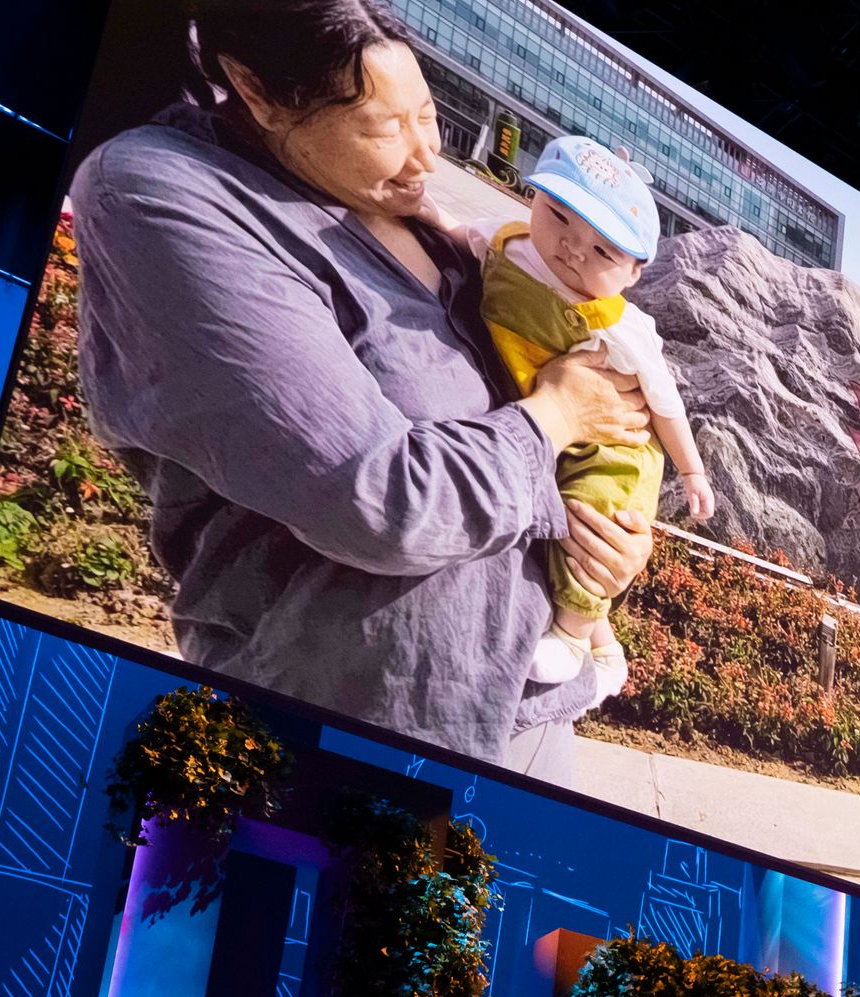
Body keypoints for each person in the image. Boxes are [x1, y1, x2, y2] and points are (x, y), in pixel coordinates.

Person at [69, 0, 654, 774]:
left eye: (427, 112)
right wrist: (557, 414)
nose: (425, 155)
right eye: (384, 128)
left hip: (517, 702)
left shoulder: (420, 218)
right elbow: (379, 501)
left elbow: (523, 423)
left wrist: (607, 541)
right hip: (343, 720)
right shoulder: (164, 191)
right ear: (257, 90)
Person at [471, 133, 714, 689]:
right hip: (542, 417)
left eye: (604, 250)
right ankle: (605, 653)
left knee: (592, 522)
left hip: (611, 447)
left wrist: (691, 469)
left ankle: (573, 633)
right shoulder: (508, 243)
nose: (574, 249)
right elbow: (459, 236)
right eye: (559, 216)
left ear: (634, 273)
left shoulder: (617, 324)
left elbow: (663, 400)